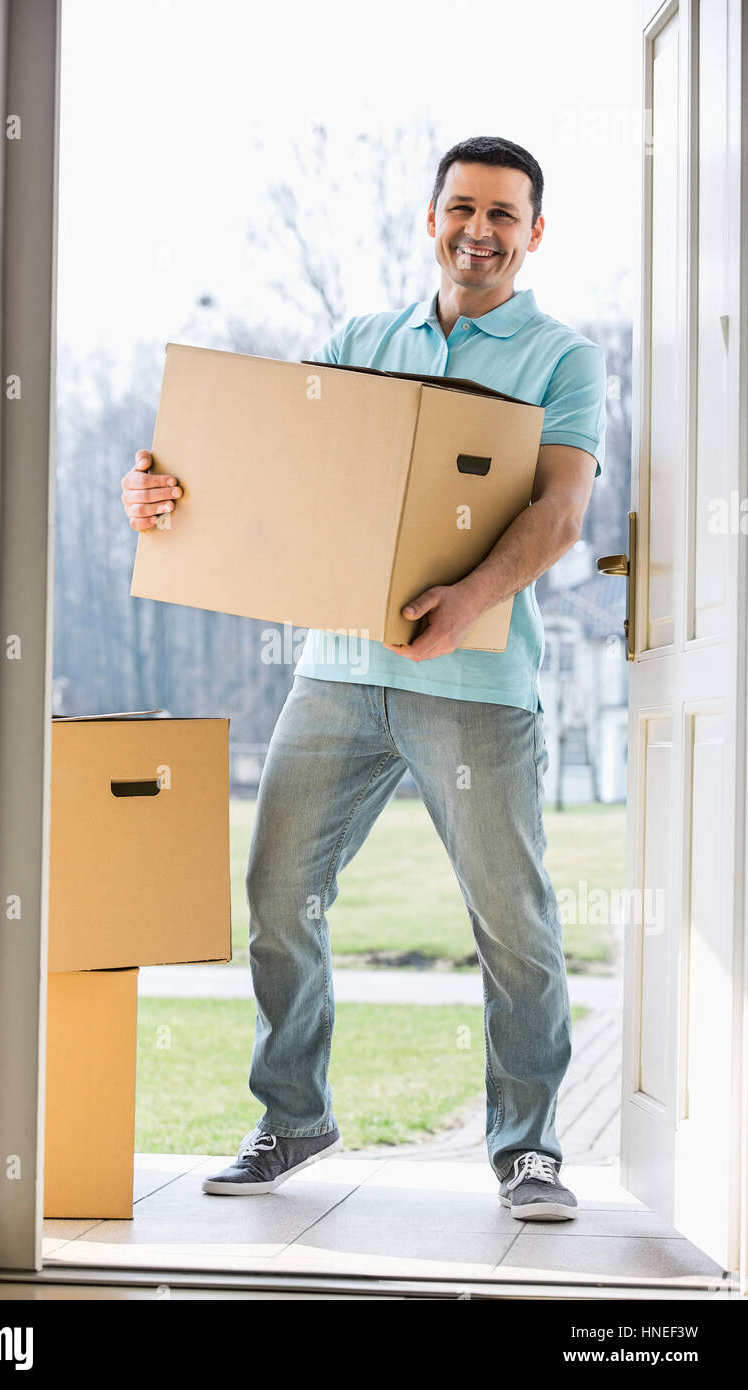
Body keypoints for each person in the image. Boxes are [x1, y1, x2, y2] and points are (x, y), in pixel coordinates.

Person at [120, 135, 607, 1221]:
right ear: (429, 219)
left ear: (532, 233)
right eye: (460, 208)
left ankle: (525, 1147)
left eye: (501, 214)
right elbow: (281, 476)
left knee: (510, 920)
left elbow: (560, 510)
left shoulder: (559, 359)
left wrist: (469, 600)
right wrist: (164, 496)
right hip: (337, 668)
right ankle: (291, 1115)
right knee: (276, 893)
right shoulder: (357, 339)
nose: (477, 230)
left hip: (473, 683)